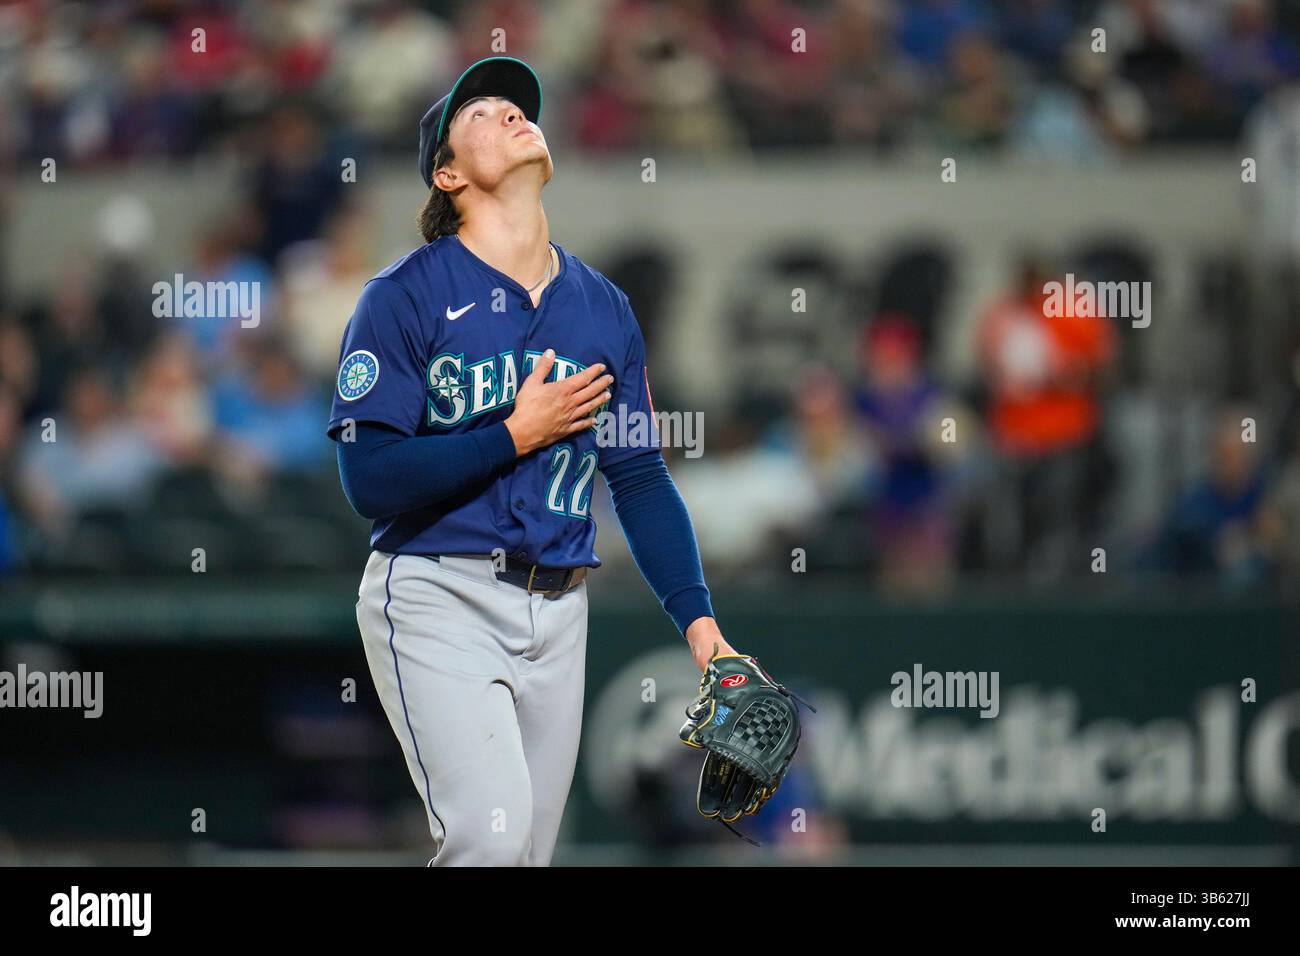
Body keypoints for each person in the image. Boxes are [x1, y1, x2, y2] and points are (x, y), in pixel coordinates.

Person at [327, 56, 738, 866]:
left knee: (521, 858)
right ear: (447, 173)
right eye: (482, 112)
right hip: (437, 588)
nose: (512, 114)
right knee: (489, 834)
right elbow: (368, 479)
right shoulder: (403, 295)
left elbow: (640, 477)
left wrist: (701, 627)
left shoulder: (602, 306)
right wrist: (512, 435)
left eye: (517, 107)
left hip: (560, 609)